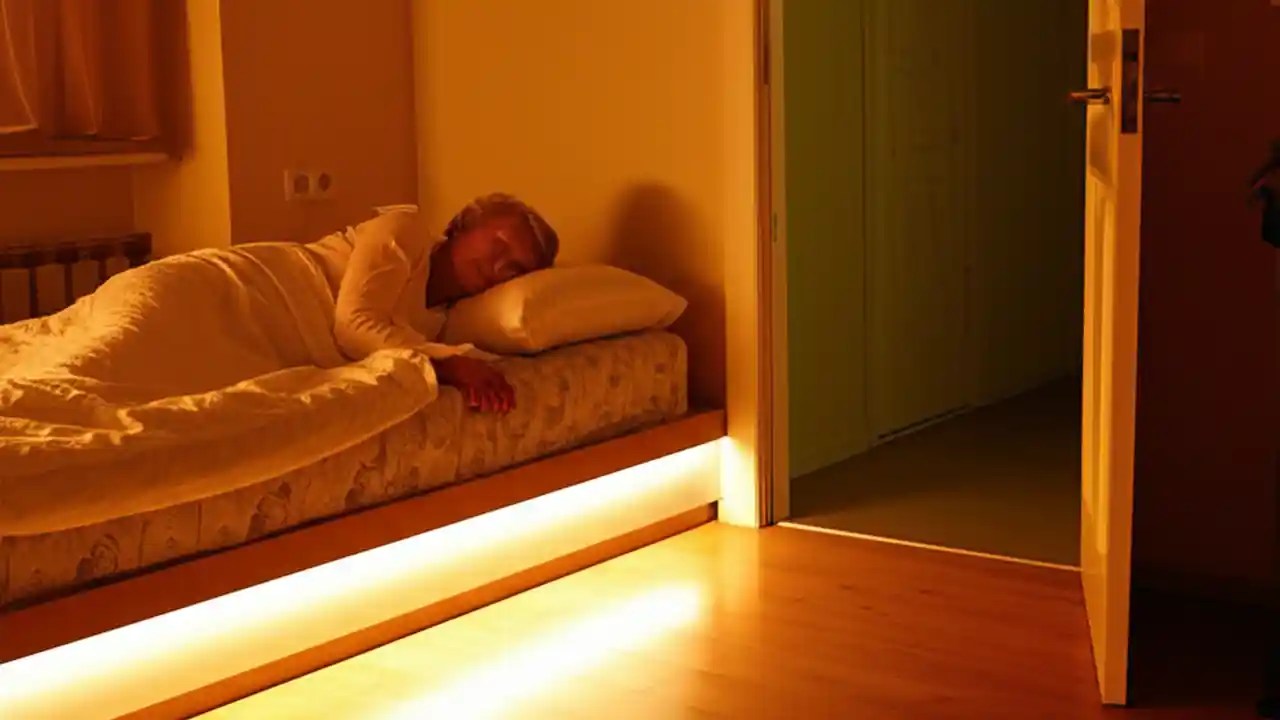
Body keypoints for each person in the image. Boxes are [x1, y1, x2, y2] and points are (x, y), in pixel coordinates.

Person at [305, 193, 559, 415]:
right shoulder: (405, 230)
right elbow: (353, 326)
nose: (501, 266)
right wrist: (448, 365)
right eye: (500, 245)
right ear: (463, 226)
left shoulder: (439, 323)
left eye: (515, 269)